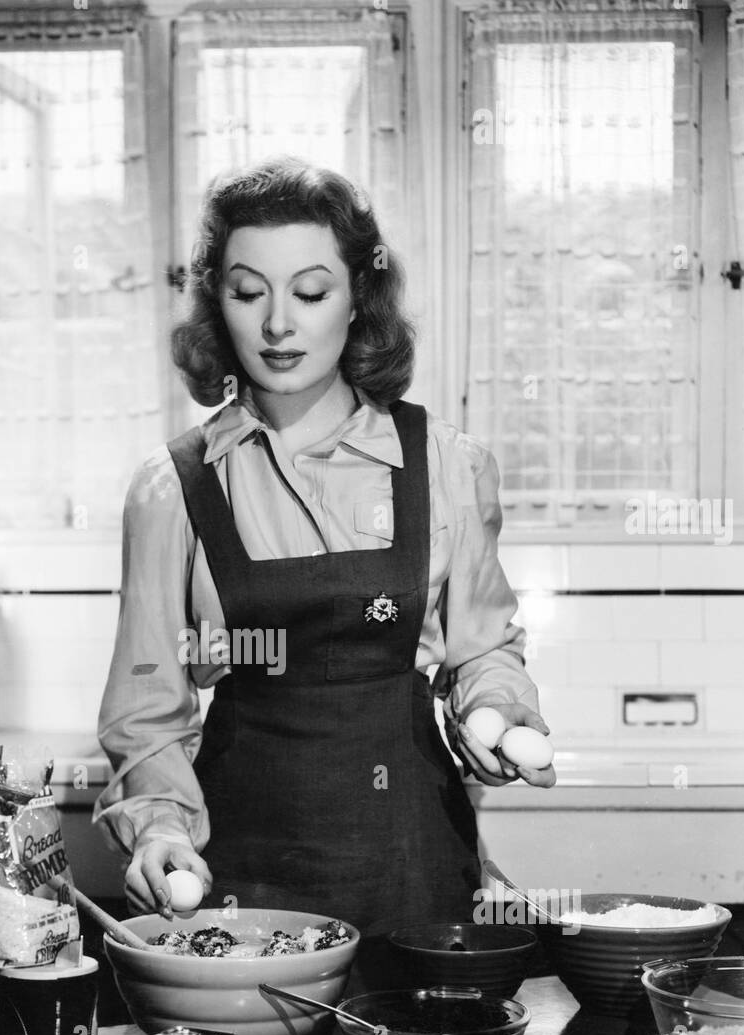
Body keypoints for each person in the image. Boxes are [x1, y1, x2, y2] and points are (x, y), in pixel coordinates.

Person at [93, 157, 554, 981]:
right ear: (216, 304)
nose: (277, 324)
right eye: (246, 292)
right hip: (237, 889)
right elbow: (147, 714)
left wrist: (498, 716)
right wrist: (159, 831)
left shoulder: (446, 465)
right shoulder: (173, 488)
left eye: (309, 293)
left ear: (356, 301)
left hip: (415, 869)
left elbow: (480, 649)